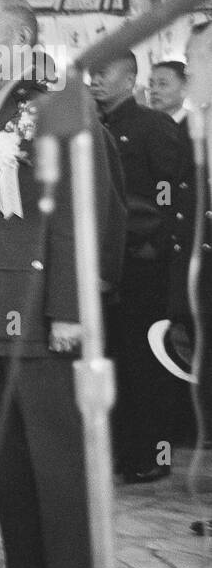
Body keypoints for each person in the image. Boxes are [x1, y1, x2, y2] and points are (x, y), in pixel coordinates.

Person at [0, 0, 126, 568]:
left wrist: (70, 308)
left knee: (55, 449)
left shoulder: (62, 102)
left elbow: (85, 209)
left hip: (39, 306)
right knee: (8, 452)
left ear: (21, 36)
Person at [90, 50, 193, 482]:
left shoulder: (152, 126)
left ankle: (154, 455)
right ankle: (117, 451)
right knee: (108, 360)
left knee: (144, 363)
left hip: (142, 261)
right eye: (91, 71)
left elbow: (171, 195)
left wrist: (155, 240)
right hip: (99, 263)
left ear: (130, 77)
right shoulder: (91, 128)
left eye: (104, 72)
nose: (94, 79)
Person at [148, 60, 188, 124]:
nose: (153, 90)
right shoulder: (144, 126)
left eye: (162, 84)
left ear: (184, 89)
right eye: (151, 85)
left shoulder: (198, 126)